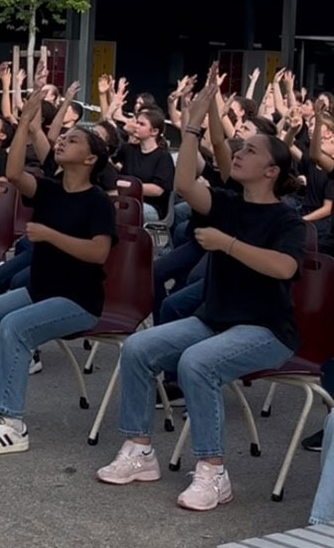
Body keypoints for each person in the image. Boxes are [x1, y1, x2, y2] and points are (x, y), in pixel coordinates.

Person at [96, 66, 305, 512]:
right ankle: (140, 449)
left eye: (250, 150)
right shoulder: (227, 203)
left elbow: (285, 267)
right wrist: (191, 126)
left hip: (266, 331)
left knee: (197, 363)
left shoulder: (287, 219)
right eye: (240, 147)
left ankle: (213, 471)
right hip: (215, 320)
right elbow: (186, 183)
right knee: (138, 348)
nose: (239, 153)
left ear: (271, 171)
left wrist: (227, 244)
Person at [0, 90, 115, 454]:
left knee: (14, 327)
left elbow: (99, 252)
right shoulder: (49, 189)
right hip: (40, 291)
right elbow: (14, 172)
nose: (62, 141)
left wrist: (50, 235)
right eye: (62, 137)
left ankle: (11, 423)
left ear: (90, 159)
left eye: (72, 140)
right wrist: (26, 123)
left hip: (78, 301)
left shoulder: (97, 201)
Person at [118, 106, 175, 222]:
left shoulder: (163, 157)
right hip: (124, 200)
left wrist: (127, 187)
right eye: (137, 123)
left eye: (142, 124)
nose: (136, 126)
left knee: (122, 210)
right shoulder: (129, 149)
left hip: (150, 206)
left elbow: (158, 190)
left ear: (154, 132)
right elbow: (110, 161)